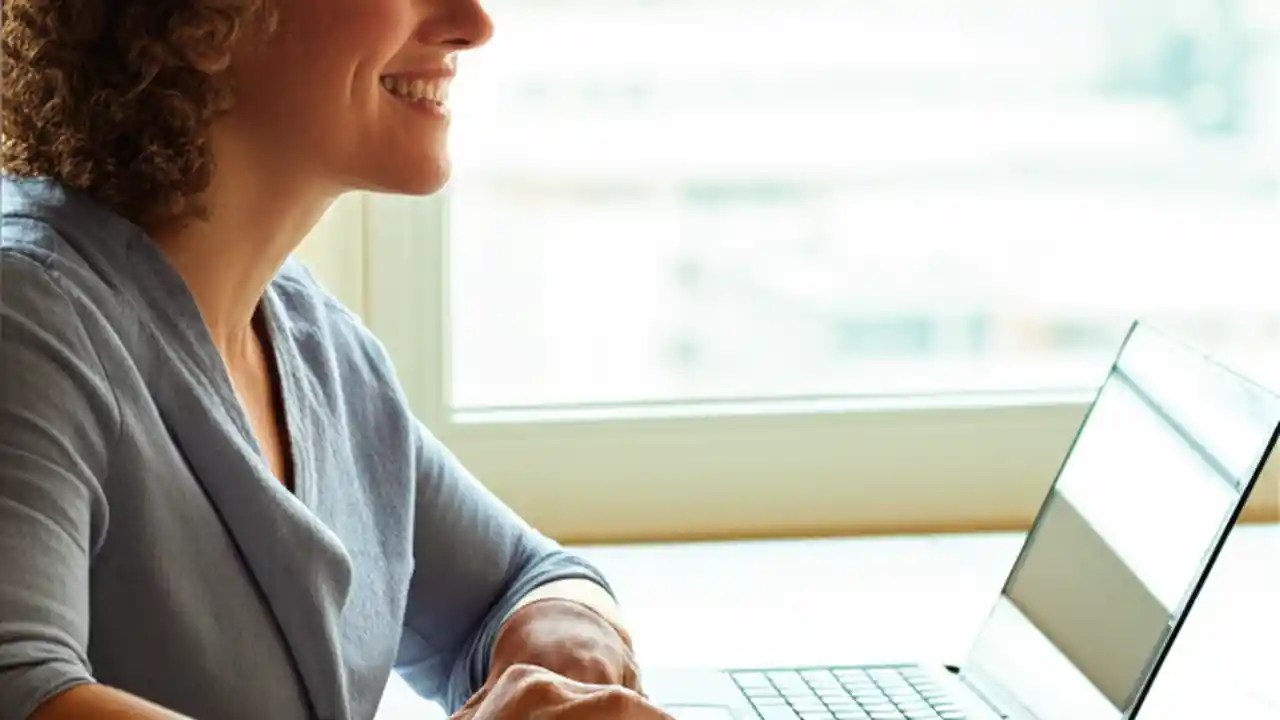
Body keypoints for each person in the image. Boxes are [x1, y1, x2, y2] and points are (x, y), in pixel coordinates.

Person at [0, 1, 675, 718]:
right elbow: (19, 691)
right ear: (202, 21)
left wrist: (564, 647)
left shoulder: (317, 345)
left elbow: (528, 577)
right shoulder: (27, 318)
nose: (472, 23)